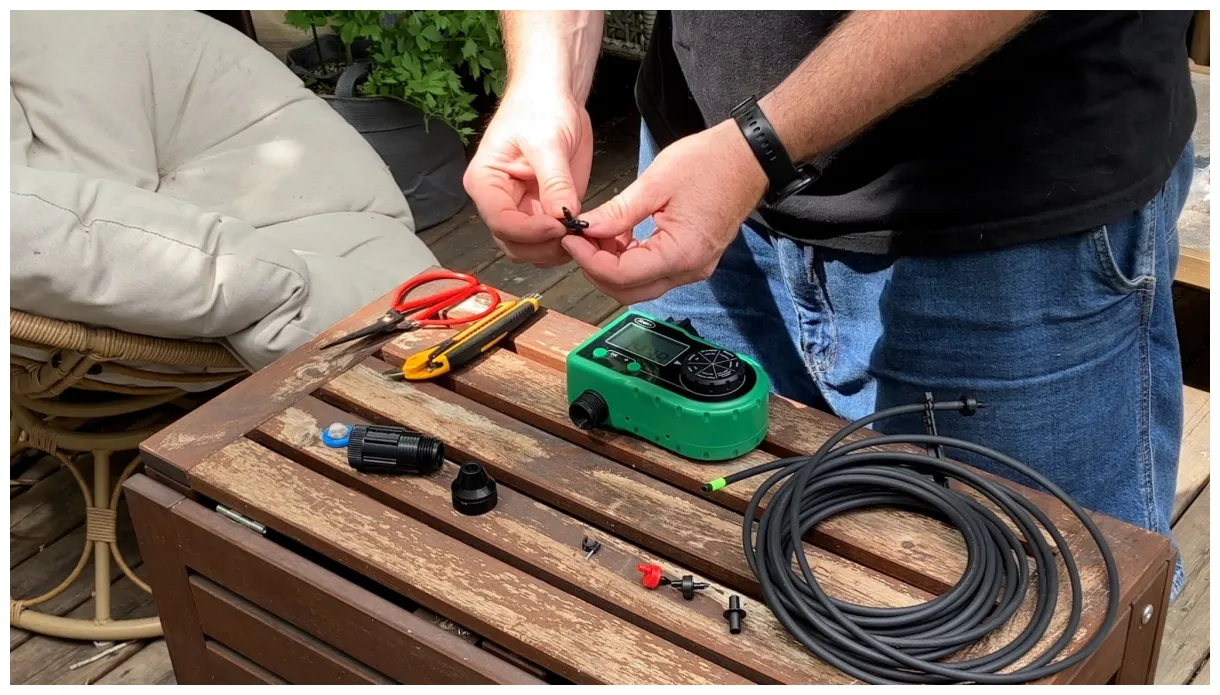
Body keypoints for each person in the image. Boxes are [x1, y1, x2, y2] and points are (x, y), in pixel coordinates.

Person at [463, 10, 1197, 597]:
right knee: (710, 567)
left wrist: (757, 148)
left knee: (1049, 605)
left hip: (1007, 236)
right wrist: (544, 79)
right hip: (693, 189)